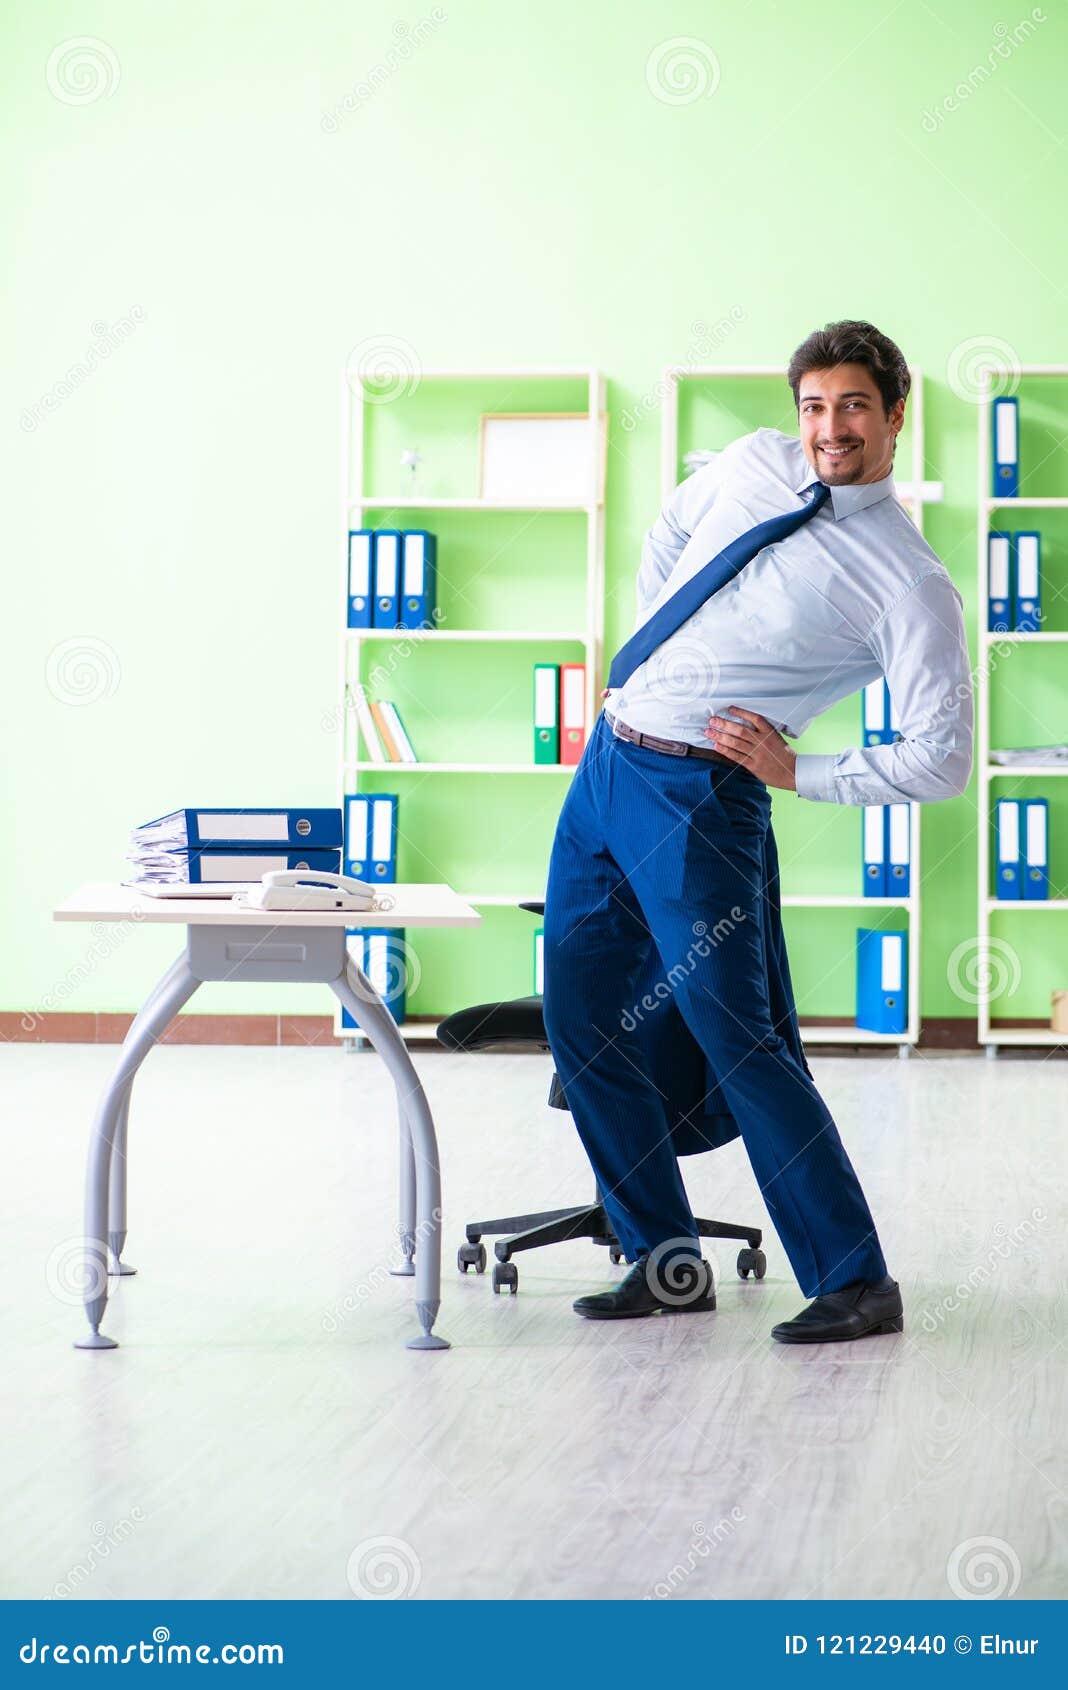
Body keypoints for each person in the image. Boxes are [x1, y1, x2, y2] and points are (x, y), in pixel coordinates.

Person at [541, 319, 973, 1343]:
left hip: (699, 801)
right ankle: (661, 1257)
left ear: (897, 415)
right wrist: (665, 668)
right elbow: (666, 537)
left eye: (856, 406)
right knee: (583, 1012)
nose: (832, 428)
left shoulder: (905, 580)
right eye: (817, 406)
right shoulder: (750, 465)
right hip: (608, 764)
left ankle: (856, 1279)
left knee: (743, 1042)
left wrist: (801, 771)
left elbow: (941, 755)